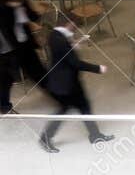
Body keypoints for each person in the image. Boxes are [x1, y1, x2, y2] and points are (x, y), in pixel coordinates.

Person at [39, 21, 114, 151]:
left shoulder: (54, 35)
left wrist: (74, 43)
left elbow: (63, 54)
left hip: (70, 82)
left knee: (84, 106)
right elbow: (75, 63)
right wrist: (98, 68)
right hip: (65, 84)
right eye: (73, 26)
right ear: (67, 24)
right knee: (64, 110)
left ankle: (95, 135)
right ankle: (45, 138)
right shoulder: (60, 40)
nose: (75, 28)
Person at [0, 0, 17, 116]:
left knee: (9, 79)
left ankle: (4, 105)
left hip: (8, 51)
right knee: (4, 81)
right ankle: (5, 106)